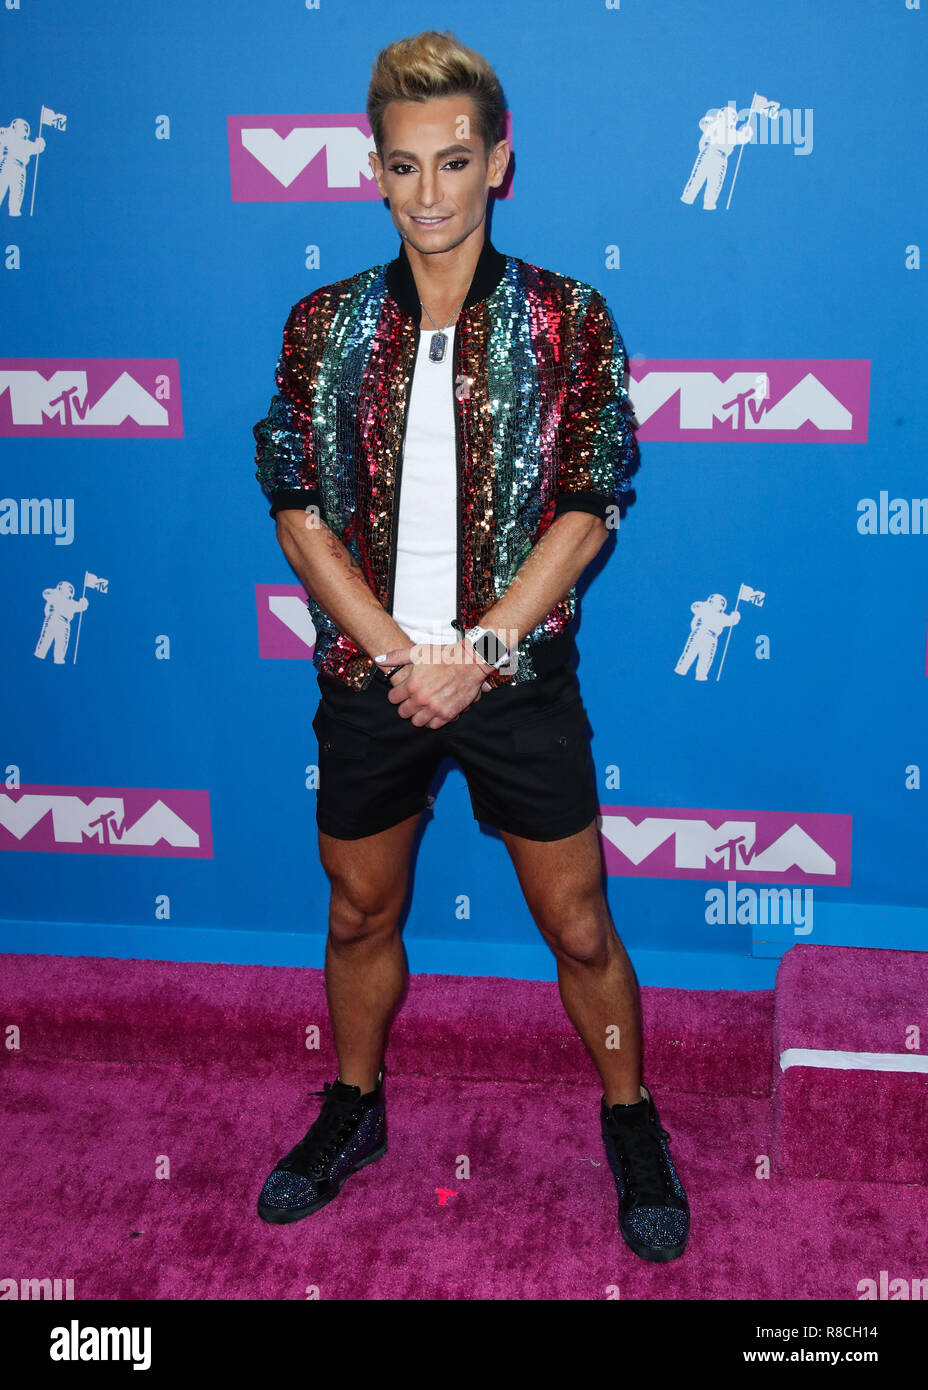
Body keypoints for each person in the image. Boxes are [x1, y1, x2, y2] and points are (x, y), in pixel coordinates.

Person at [252, 29, 689, 1263]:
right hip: (370, 673)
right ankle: (353, 1105)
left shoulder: (565, 317)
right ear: (373, 171)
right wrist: (404, 656)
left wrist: (479, 652)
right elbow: (297, 518)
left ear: (500, 163)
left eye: (454, 163)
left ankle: (631, 1114)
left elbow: (591, 504)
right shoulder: (321, 325)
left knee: (583, 927)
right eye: (404, 166)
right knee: (355, 911)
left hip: (516, 676)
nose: (429, 194)